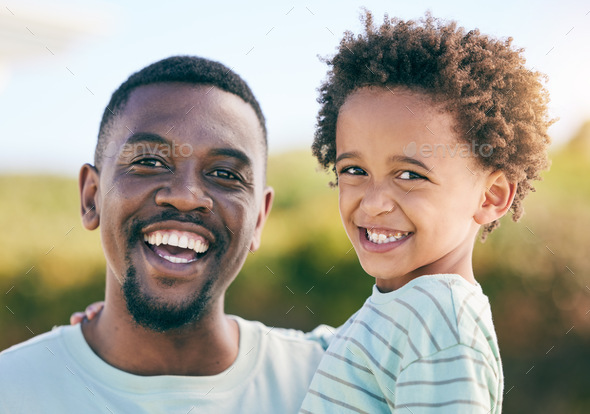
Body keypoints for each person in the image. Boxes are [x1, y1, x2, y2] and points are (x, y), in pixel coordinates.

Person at [0, 56, 328, 413]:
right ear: (91, 197)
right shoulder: (11, 389)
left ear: (259, 219)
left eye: (225, 174)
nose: (185, 196)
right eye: (150, 162)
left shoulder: (334, 377)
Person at [299, 12, 551, 413]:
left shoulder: (440, 320)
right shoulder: (400, 309)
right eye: (354, 170)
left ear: (491, 197)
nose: (374, 201)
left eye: (409, 175)